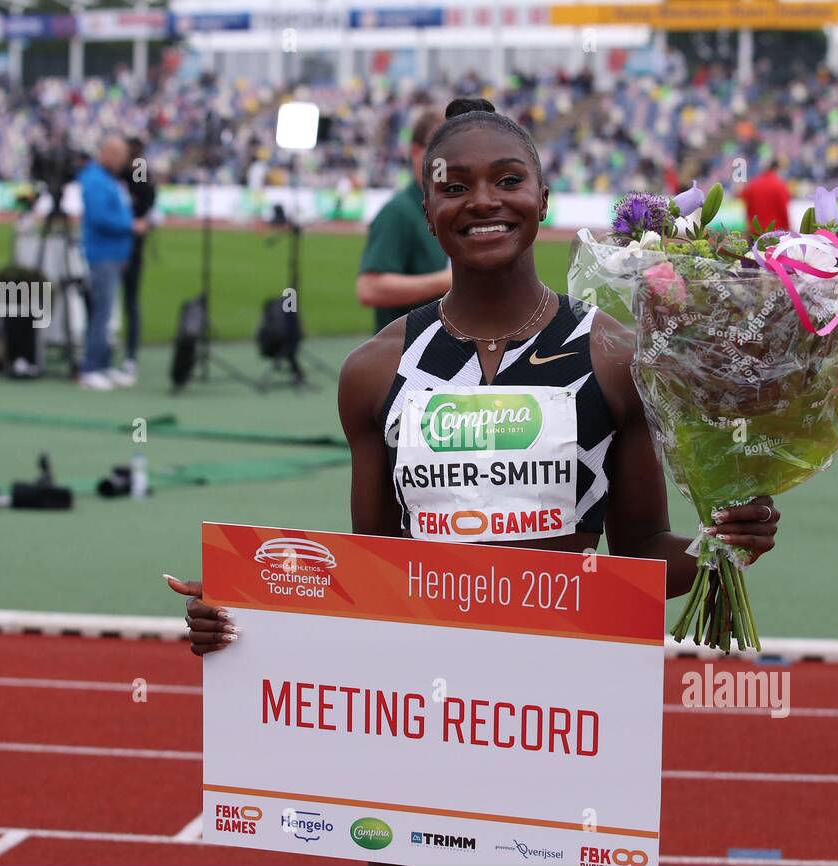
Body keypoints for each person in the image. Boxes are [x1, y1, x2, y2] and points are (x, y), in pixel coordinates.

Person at [167, 98, 783, 654]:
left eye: (509, 180)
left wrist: (722, 545)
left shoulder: (614, 358)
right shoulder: (375, 371)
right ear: (428, 213)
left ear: (543, 199)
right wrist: (245, 609)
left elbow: (642, 552)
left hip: (567, 693)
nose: (484, 201)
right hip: (426, 696)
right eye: (455, 187)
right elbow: (374, 570)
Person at [356, 109, 452, 333]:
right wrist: (448, 281)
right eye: (439, 148)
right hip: (404, 350)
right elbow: (369, 288)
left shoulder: (450, 210)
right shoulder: (398, 212)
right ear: (416, 152)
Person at [77, 134, 144, 391]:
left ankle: (103, 364)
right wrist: (130, 225)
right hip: (103, 253)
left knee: (108, 314)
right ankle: (92, 366)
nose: (123, 161)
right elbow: (100, 217)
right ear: (107, 153)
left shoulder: (109, 179)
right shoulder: (96, 179)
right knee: (102, 312)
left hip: (115, 254)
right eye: (119, 155)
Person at [121, 135, 158, 384]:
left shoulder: (139, 172)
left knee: (130, 303)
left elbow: (146, 201)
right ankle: (119, 351)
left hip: (132, 246)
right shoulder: (119, 172)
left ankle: (131, 354)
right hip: (119, 243)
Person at [740, 157, 791, 233]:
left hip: (755, 232)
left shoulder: (752, 184)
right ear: (776, 168)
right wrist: (787, 229)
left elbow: (746, 204)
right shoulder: (779, 185)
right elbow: (783, 211)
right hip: (775, 232)